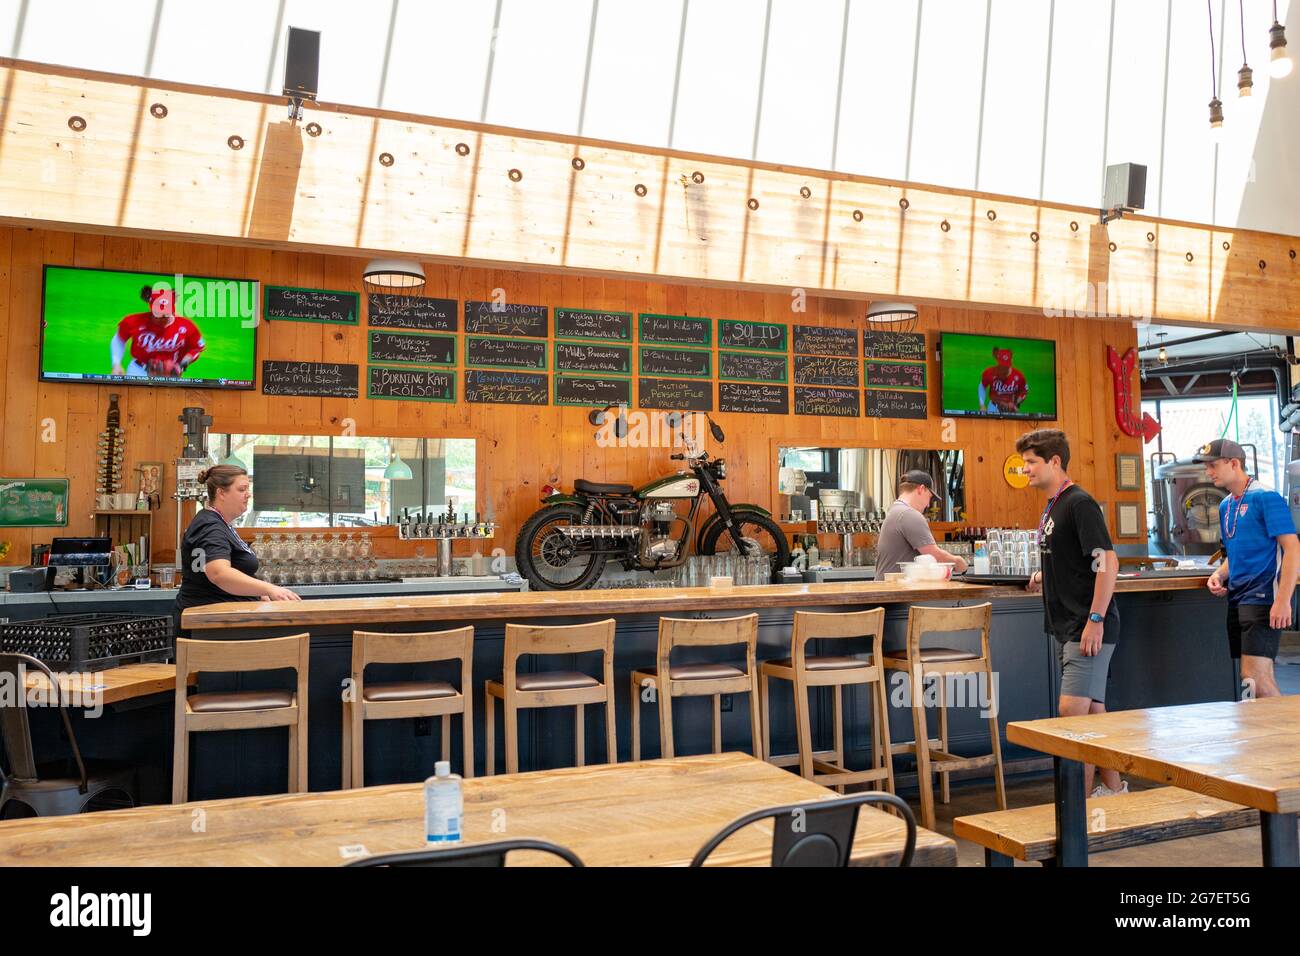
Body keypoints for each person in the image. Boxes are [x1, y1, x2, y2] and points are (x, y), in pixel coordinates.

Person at [1019, 429, 1125, 796]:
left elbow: (1107, 564)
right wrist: (1043, 572)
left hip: (1087, 625)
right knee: (1094, 712)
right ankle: (1113, 792)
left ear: (1054, 462)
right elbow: (1072, 558)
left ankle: (1075, 808)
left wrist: (1094, 621)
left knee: (1072, 714)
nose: (1026, 470)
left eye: (1031, 462)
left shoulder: (1079, 503)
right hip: (1070, 625)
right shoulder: (1054, 505)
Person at [1197, 438, 1298, 699]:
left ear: (1234, 463)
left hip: (1264, 596)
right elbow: (1235, 553)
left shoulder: (1266, 497)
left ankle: (1291, 735)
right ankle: (1270, 738)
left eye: (1213, 465)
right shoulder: (1225, 505)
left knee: (1254, 679)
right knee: (1255, 679)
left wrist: (1284, 600)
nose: (1208, 472)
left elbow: (1293, 549)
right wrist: (1219, 574)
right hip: (1237, 599)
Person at [174, 465, 299, 636]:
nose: (248, 494)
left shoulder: (219, 523)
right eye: (242, 489)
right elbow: (219, 573)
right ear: (221, 493)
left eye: (248, 489)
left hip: (218, 620)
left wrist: (258, 594)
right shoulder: (210, 526)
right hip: (207, 625)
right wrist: (269, 589)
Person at [873, 470, 969, 578]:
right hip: (895, 590)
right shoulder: (909, 514)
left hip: (890, 587)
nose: (928, 504)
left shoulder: (895, 510)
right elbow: (934, 555)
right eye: (929, 497)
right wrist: (958, 561)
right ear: (921, 489)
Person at [111, 285, 206, 378]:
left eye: (166, 314)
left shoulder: (186, 326)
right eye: (159, 314)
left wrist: (181, 365)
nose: (163, 318)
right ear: (151, 308)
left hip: (170, 375)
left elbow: (196, 348)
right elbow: (119, 340)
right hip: (138, 371)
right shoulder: (133, 321)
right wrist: (116, 364)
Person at [979, 346, 1028, 414]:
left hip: (1011, 411)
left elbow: (1024, 391)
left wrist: (1015, 404)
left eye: (1006, 366)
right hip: (993, 407)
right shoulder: (990, 372)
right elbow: (982, 386)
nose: (1004, 368)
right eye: (1002, 366)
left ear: (1010, 363)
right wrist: (982, 405)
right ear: (998, 362)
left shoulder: (1019, 376)